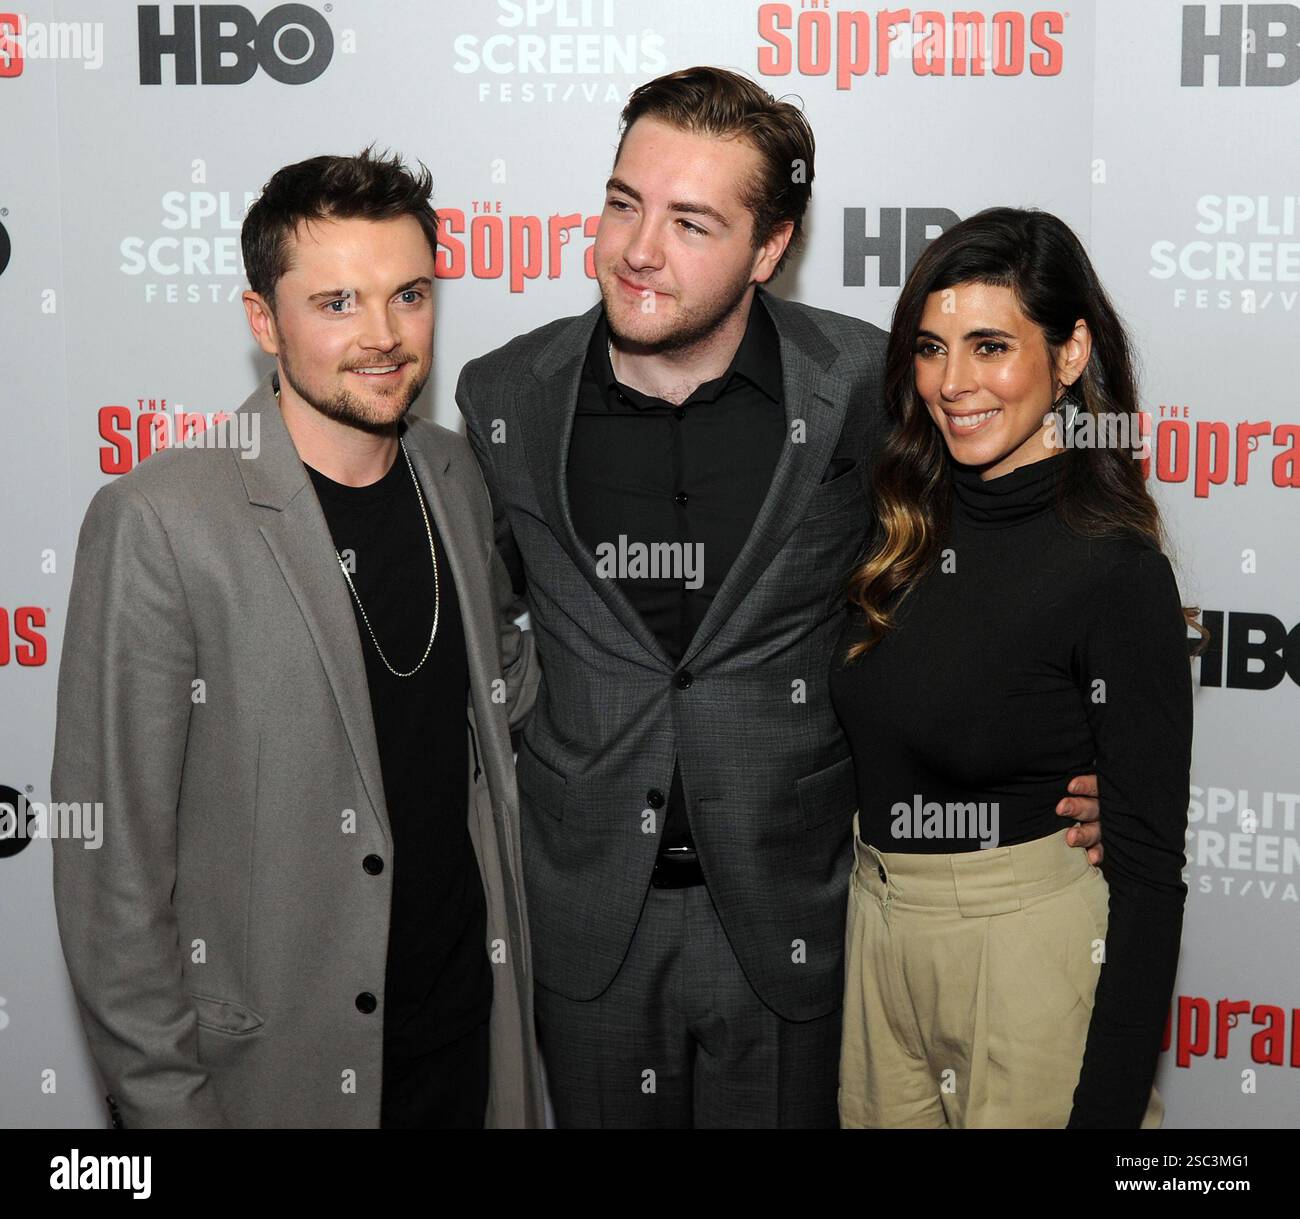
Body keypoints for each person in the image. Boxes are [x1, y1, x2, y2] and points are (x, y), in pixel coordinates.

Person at [458, 68, 1104, 1128]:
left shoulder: (862, 382)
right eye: (624, 202)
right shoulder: (502, 394)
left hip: (794, 914)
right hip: (586, 920)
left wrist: (1083, 752)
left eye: (691, 222)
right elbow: (481, 624)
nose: (638, 249)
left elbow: (994, 568)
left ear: (769, 249)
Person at [50, 148, 544, 1129]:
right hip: (275, 1079)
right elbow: (115, 884)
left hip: (464, 1050)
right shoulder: (160, 519)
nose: (384, 337)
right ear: (262, 321)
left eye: (408, 295)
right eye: (336, 304)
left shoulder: (454, 475)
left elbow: (497, 700)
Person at [831, 206, 1198, 1128]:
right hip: (877, 935)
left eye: (990, 346)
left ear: (1071, 355)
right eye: (930, 347)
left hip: (1032, 951)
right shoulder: (896, 522)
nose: (953, 384)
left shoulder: (1114, 568)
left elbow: (1150, 880)